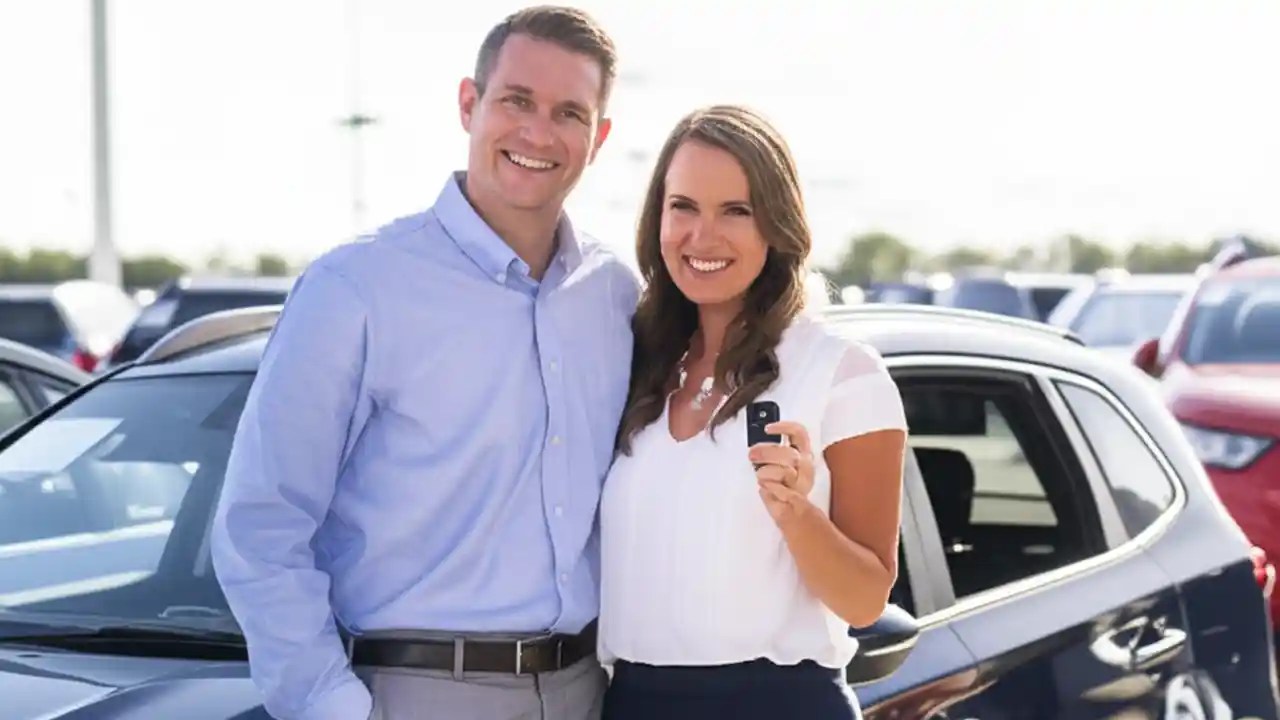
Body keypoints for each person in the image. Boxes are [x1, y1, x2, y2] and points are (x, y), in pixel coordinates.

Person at [210, 6, 638, 719]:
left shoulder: (618, 297)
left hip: (588, 691)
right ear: (469, 104)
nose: (538, 132)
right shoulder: (357, 288)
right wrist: (330, 704)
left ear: (599, 139)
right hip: (415, 692)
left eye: (570, 112)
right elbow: (261, 522)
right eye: (516, 101)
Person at [597, 105, 909, 719]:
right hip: (633, 702)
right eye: (683, 206)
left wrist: (795, 514)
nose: (702, 236)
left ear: (777, 225)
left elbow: (866, 601)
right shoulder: (634, 366)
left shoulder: (841, 371)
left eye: (736, 211)